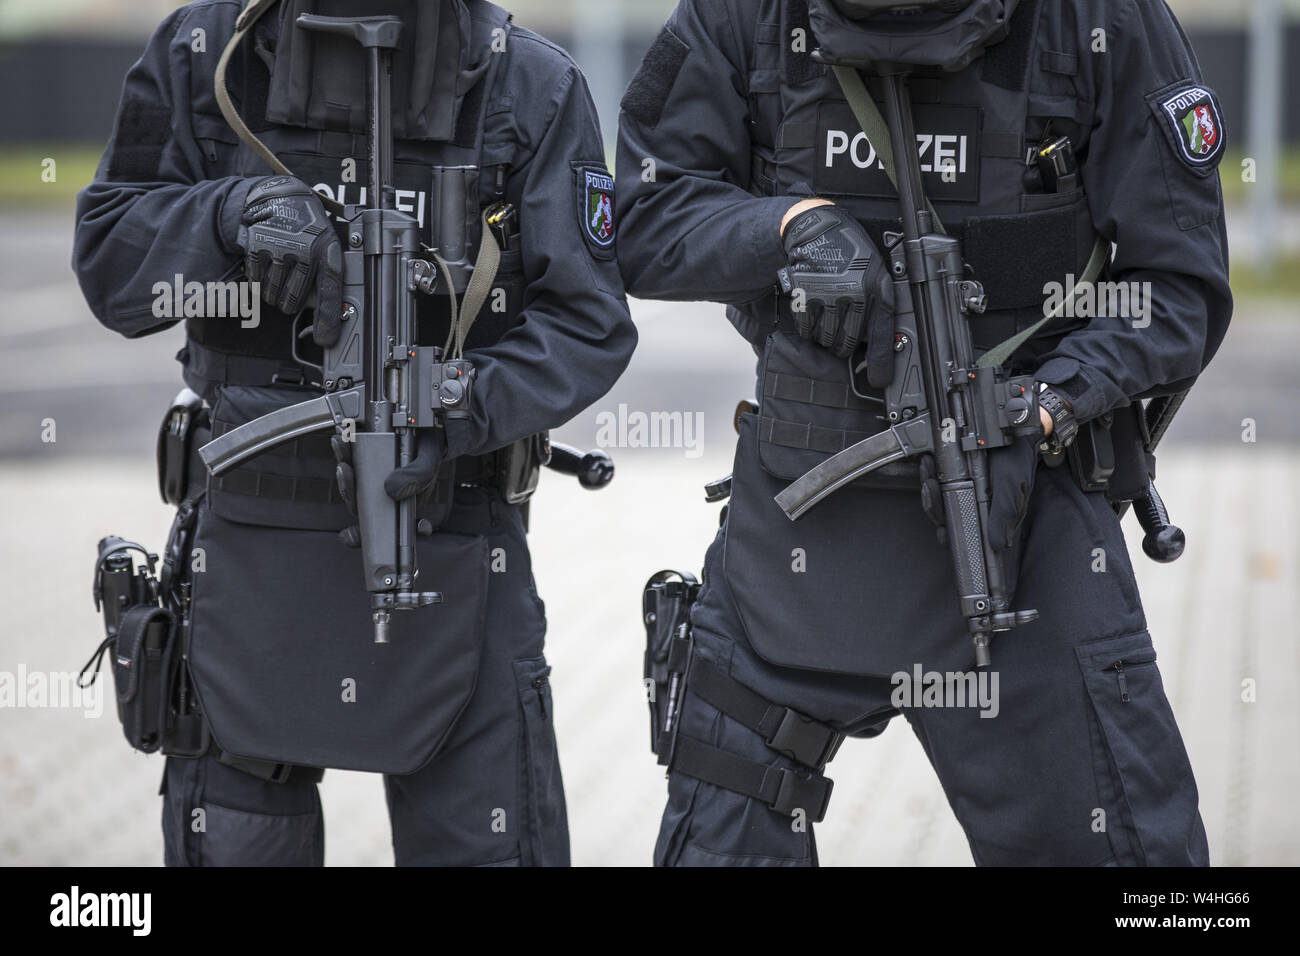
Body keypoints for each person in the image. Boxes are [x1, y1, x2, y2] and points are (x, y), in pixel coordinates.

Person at [618, 0, 1230, 866]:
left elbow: (1177, 289)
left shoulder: (1097, 19)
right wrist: (786, 228)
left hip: (1022, 522)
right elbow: (644, 216)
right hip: (798, 528)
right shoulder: (744, 13)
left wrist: (1045, 403)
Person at [74, 0, 635, 867]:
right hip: (245, 566)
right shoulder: (206, 53)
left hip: (451, 548)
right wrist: (233, 211)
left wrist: (461, 401)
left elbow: (590, 324)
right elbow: (113, 261)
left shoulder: (527, 82)